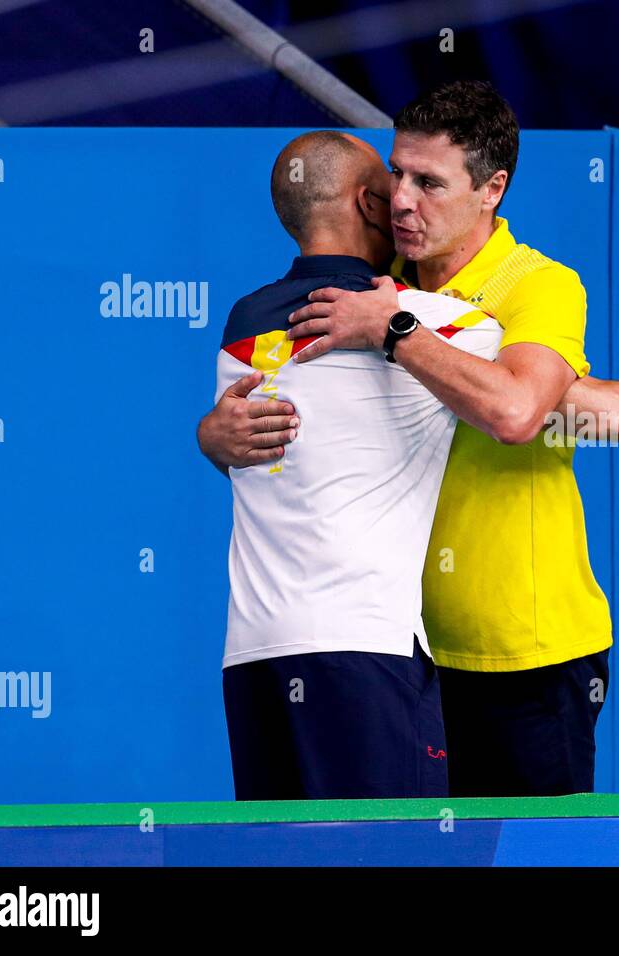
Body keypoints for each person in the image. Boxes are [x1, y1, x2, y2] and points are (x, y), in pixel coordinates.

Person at [200, 82, 619, 797]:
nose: (401, 199)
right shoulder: (372, 282)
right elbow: (301, 425)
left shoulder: (538, 286)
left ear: (491, 189)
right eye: (397, 174)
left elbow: (523, 412)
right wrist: (216, 436)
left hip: (523, 650)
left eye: (429, 183)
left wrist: (397, 334)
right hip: (404, 653)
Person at [212, 130, 502, 799]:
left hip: (254, 658)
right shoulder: (446, 325)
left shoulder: (240, 331)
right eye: (395, 188)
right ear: (371, 205)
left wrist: (206, 436)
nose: (405, 203)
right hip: (366, 655)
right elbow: (529, 402)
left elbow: (242, 449)